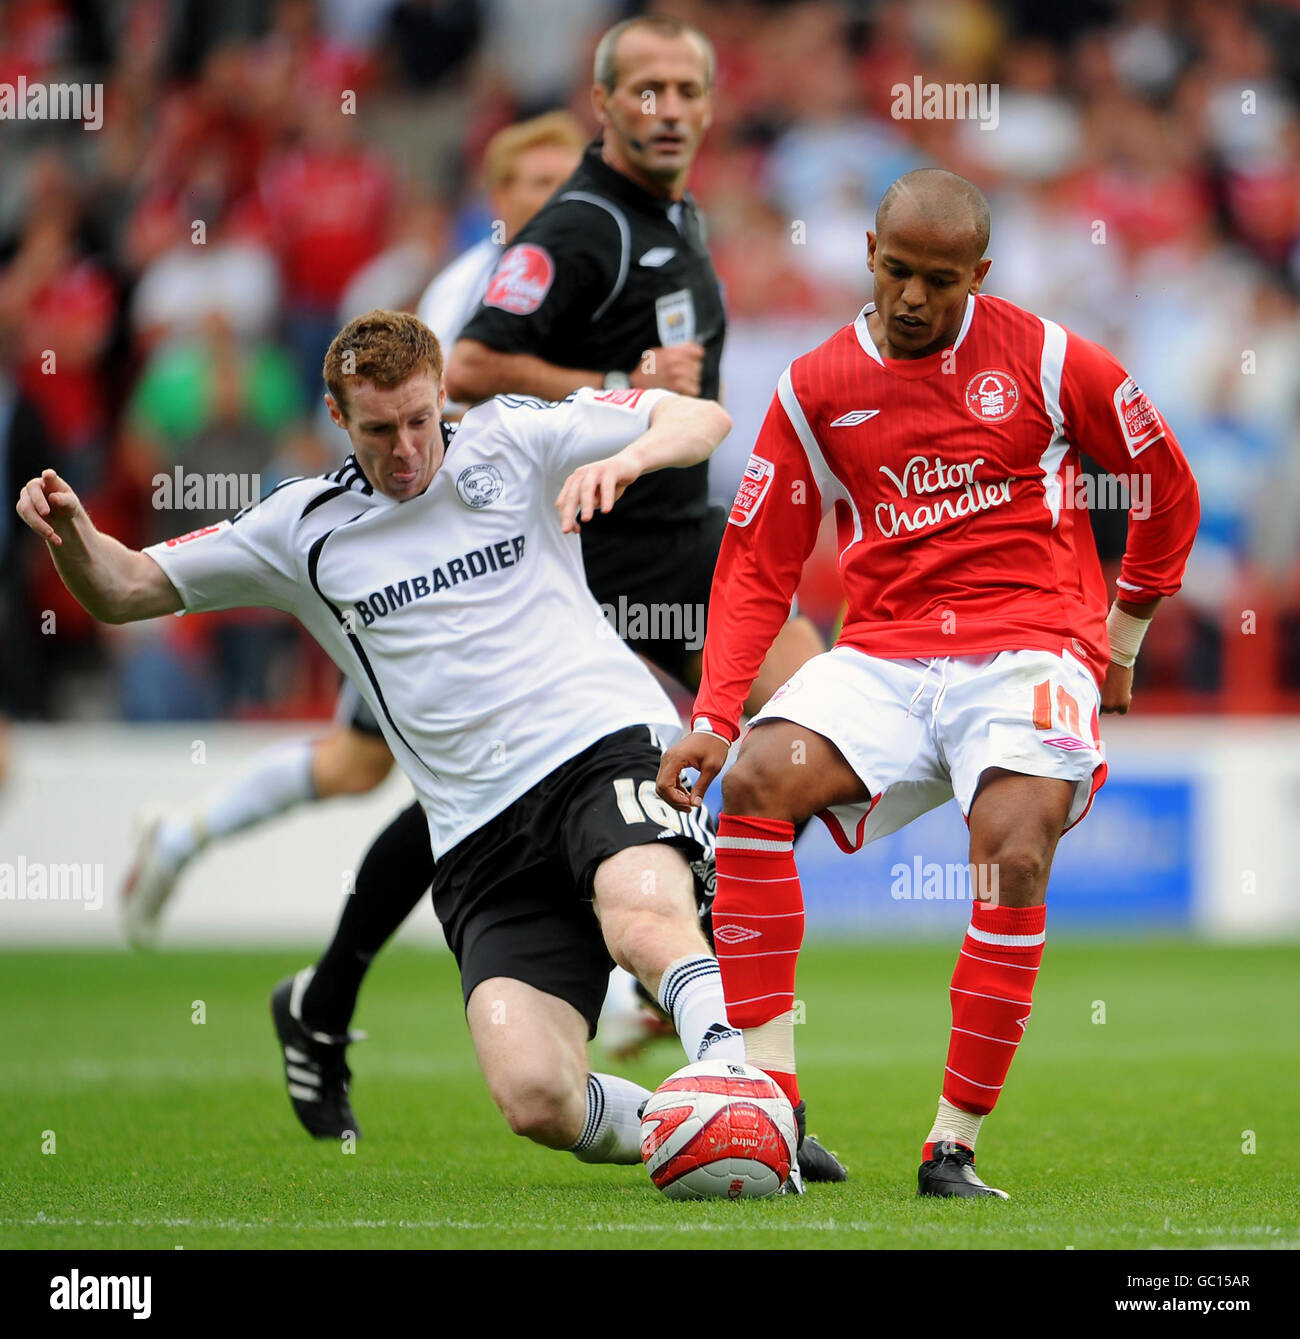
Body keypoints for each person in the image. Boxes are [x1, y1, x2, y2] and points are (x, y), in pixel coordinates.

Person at [18, 308, 748, 1174]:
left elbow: (699, 417)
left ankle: (737, 1082)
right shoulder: (302, 529)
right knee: (536, 1095)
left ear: (442, 394)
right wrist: (72, 538)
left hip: (600, 745)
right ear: (338, 417)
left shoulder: (513, 433)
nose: (407, 448)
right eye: (378, 429)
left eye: (419, 419)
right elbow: (128, 585)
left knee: (640, 915)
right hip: (478, 830)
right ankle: (705, 1128)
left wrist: (629, 454)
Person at [657, 169, 1201, 1198]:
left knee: (1010, 847)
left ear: (979, 274)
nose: (912, 297)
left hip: (1031, 645)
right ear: (868, 250)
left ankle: (950, 1145)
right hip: (884, 654)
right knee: (759, 779)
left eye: (938, 281)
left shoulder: (1046, 357)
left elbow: (1166, 486)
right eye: (897, 270)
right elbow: (756, 566)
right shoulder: (815, 386)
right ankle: (776, 1105)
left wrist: (1121, 634)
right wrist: (715, 717)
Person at [117, 111, 586, 946]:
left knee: (372, 763)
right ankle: (622, 979)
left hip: (541, 554)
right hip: (448, 566)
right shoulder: (466, 288)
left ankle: (190, 842)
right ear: (498, 197)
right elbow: (441, 420)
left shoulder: (588, 275)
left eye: (568, 179)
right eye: (535, 182)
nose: (557, 198)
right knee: (428, 766)